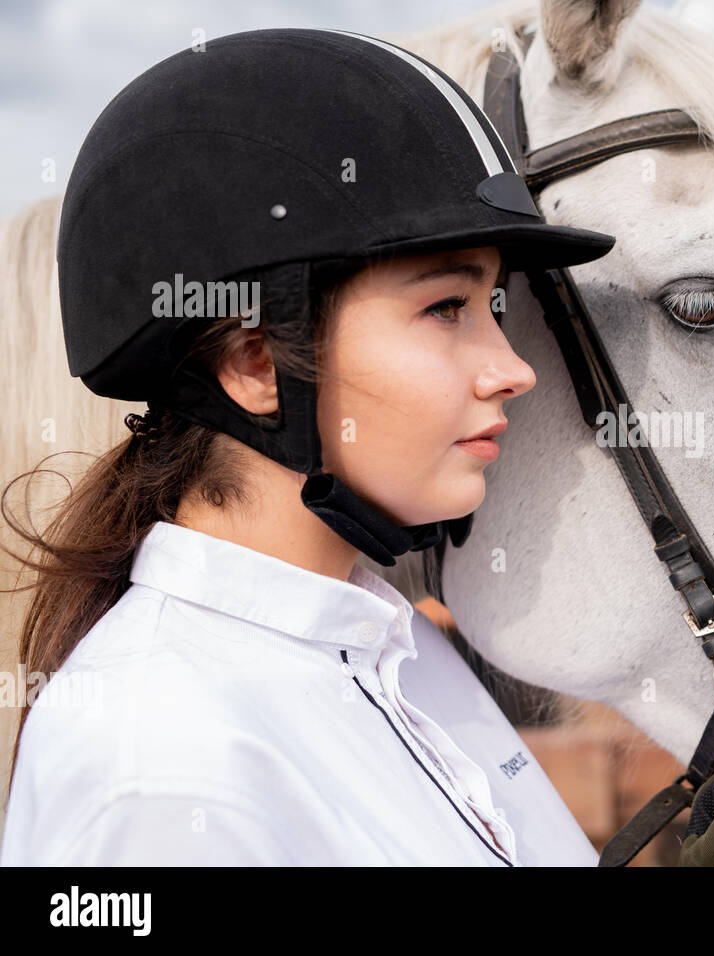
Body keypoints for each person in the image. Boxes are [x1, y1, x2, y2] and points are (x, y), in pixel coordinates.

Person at [0, 27, 616, 866]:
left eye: (495, 309)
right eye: (446, 308)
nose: (512, 370)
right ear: (256, 366)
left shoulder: (400, 647)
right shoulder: (163, 772)